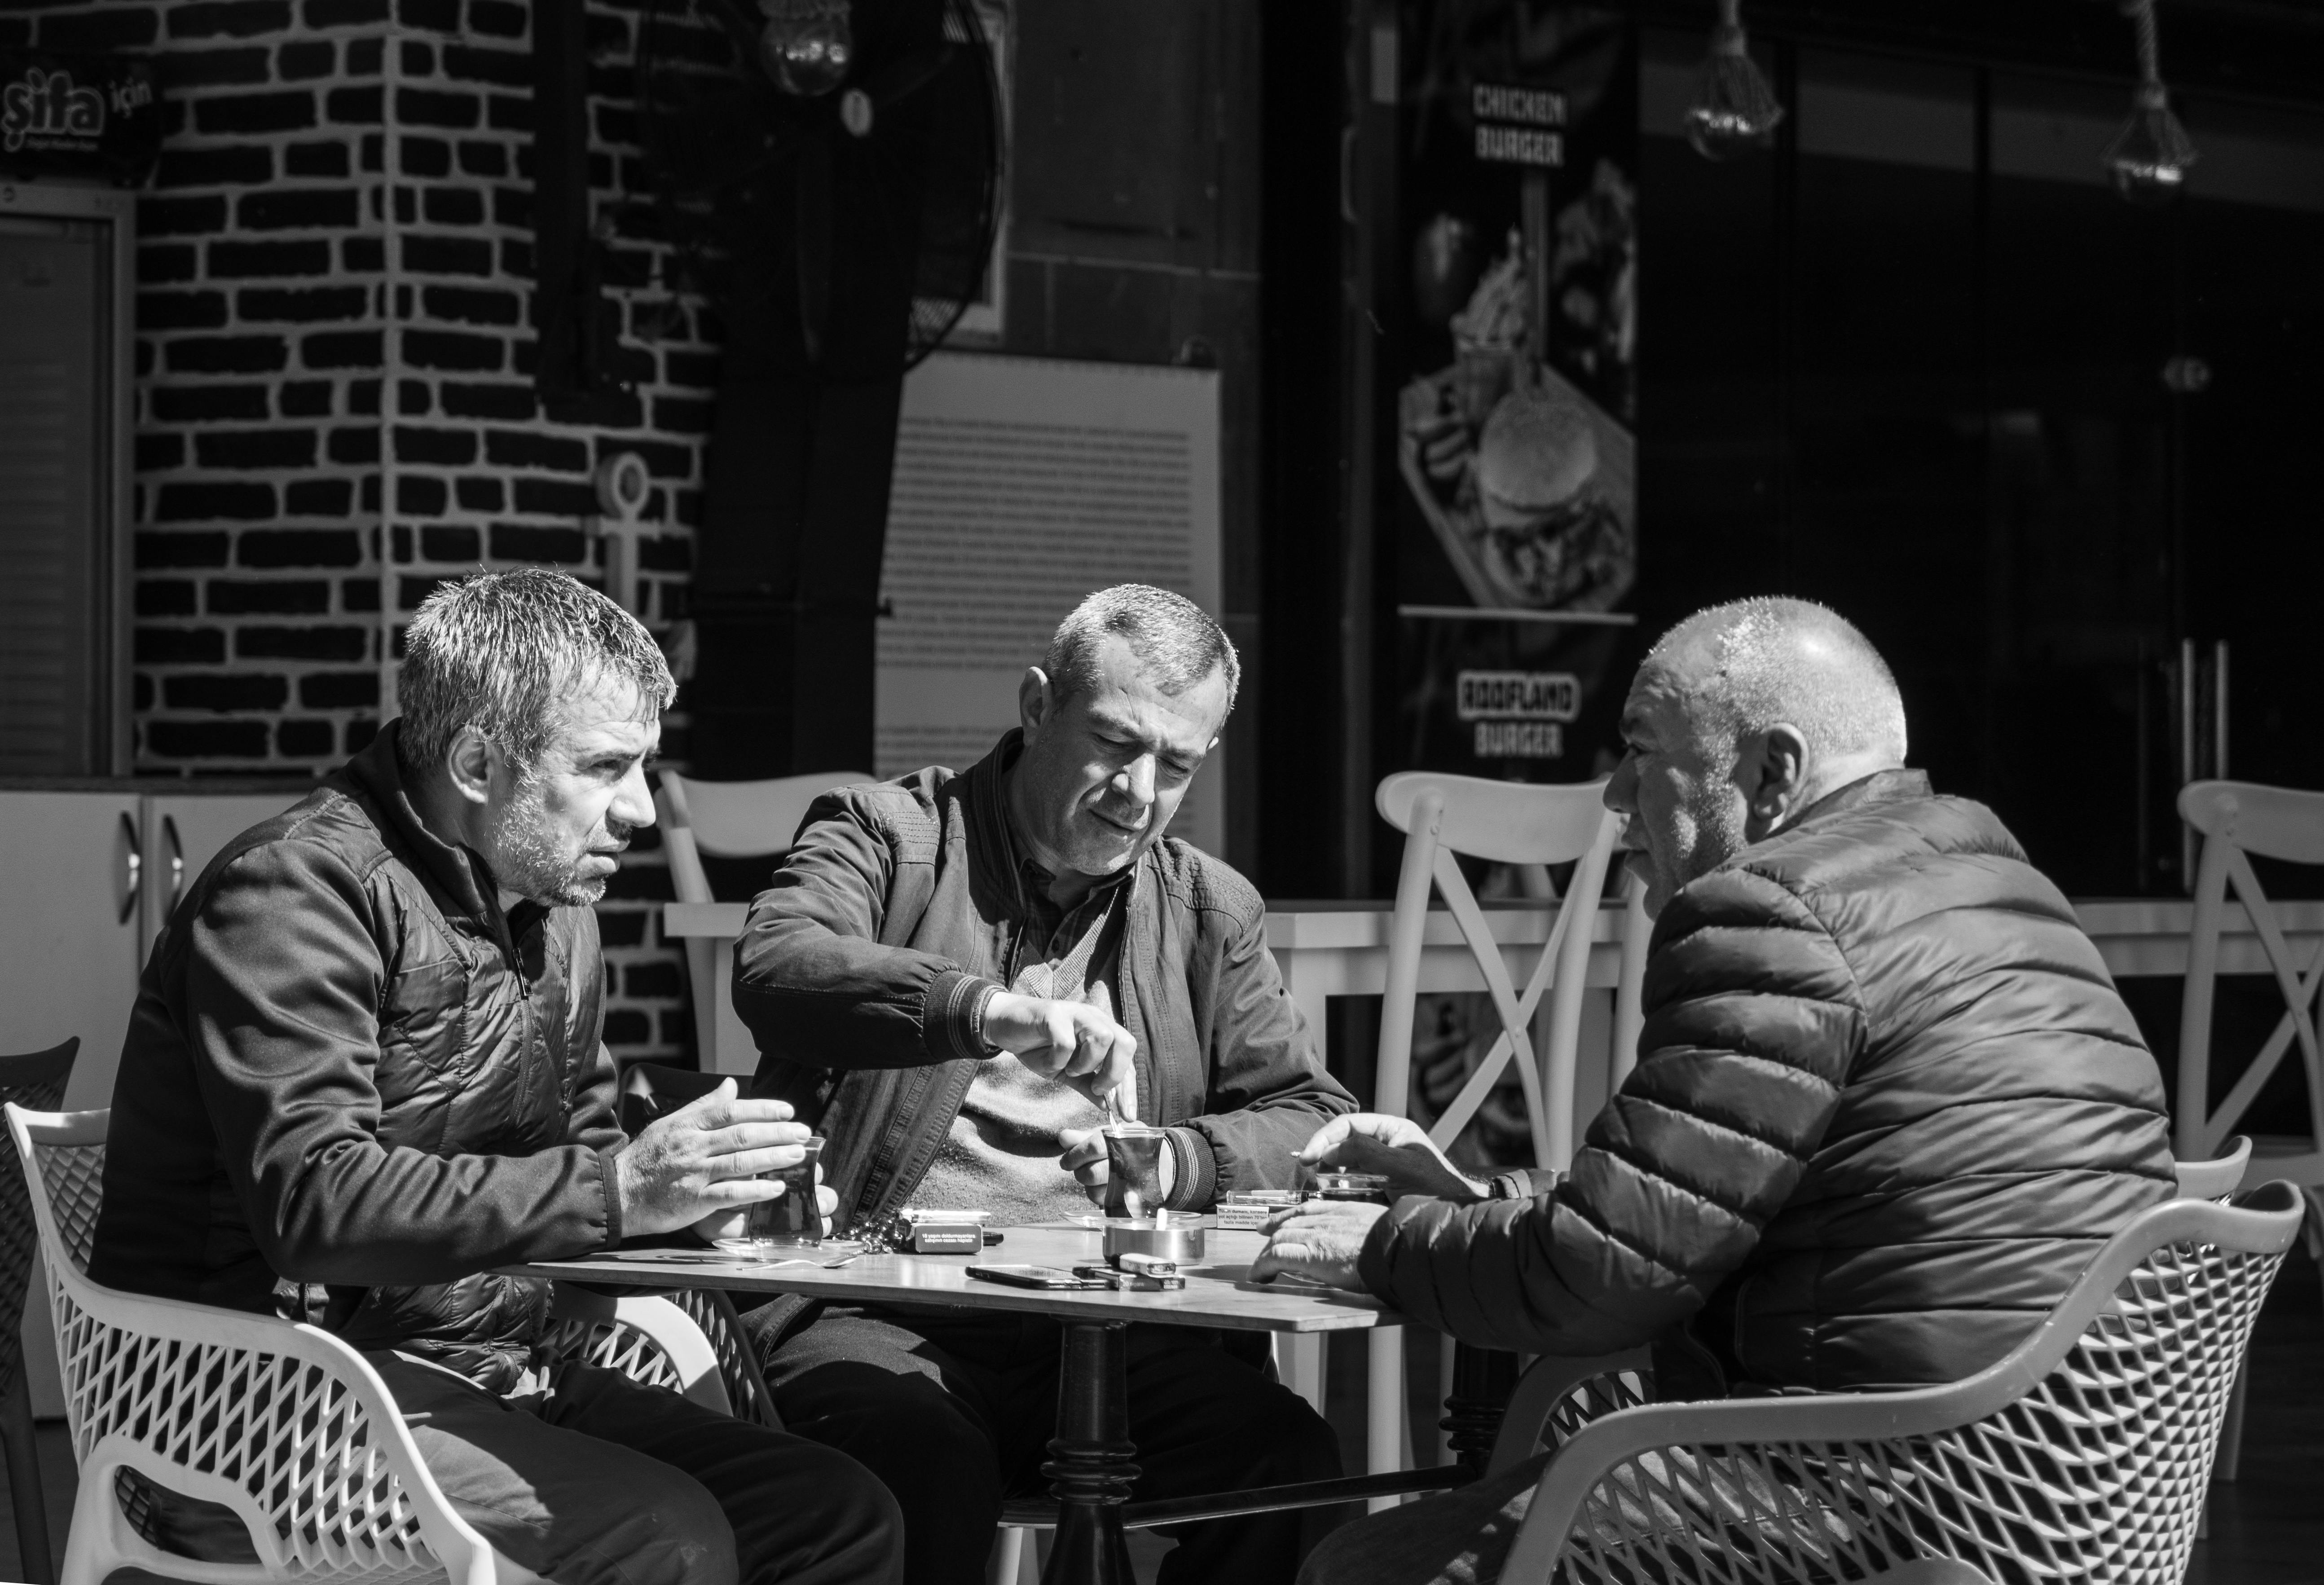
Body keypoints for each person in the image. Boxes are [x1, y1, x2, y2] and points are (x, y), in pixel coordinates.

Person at [1255, 595, 2177, 1585]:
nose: (1615, 792)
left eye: (1641, 750)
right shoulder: (2007, 891)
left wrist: (1383, 1243)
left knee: (1365, 1566)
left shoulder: (1772, 912)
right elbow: (1693, 1204)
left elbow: (1600, 1276)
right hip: (2081, 1493)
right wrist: (1483, 1196)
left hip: (1886, 1497)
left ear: (1771, 772)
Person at [90, 569, 902, 1585]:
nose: (641, 809)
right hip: (252, 1407)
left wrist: (699, 1206)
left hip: (490, 1370)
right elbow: (314, 1199)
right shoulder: (294, 889)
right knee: (665, 1535)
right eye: (606, 767)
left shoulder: (552, 909)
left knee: (834, 1511)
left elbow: (584, 1165)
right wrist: (622, 1189)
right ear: (478, 761)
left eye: (645, 767)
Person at [731, 584, 1354, 1585]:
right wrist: (984, 1010)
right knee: (919, 1457)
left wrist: (1182, 1160)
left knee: (1288, 1463)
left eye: (1177, 765)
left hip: (1115, 1325)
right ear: (1036, 706)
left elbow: (1311, 1114)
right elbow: (776, 964)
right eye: (1115, 743)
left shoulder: (1208, 906)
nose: (1139, 792)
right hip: (877, 1314)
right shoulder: (888, 834)